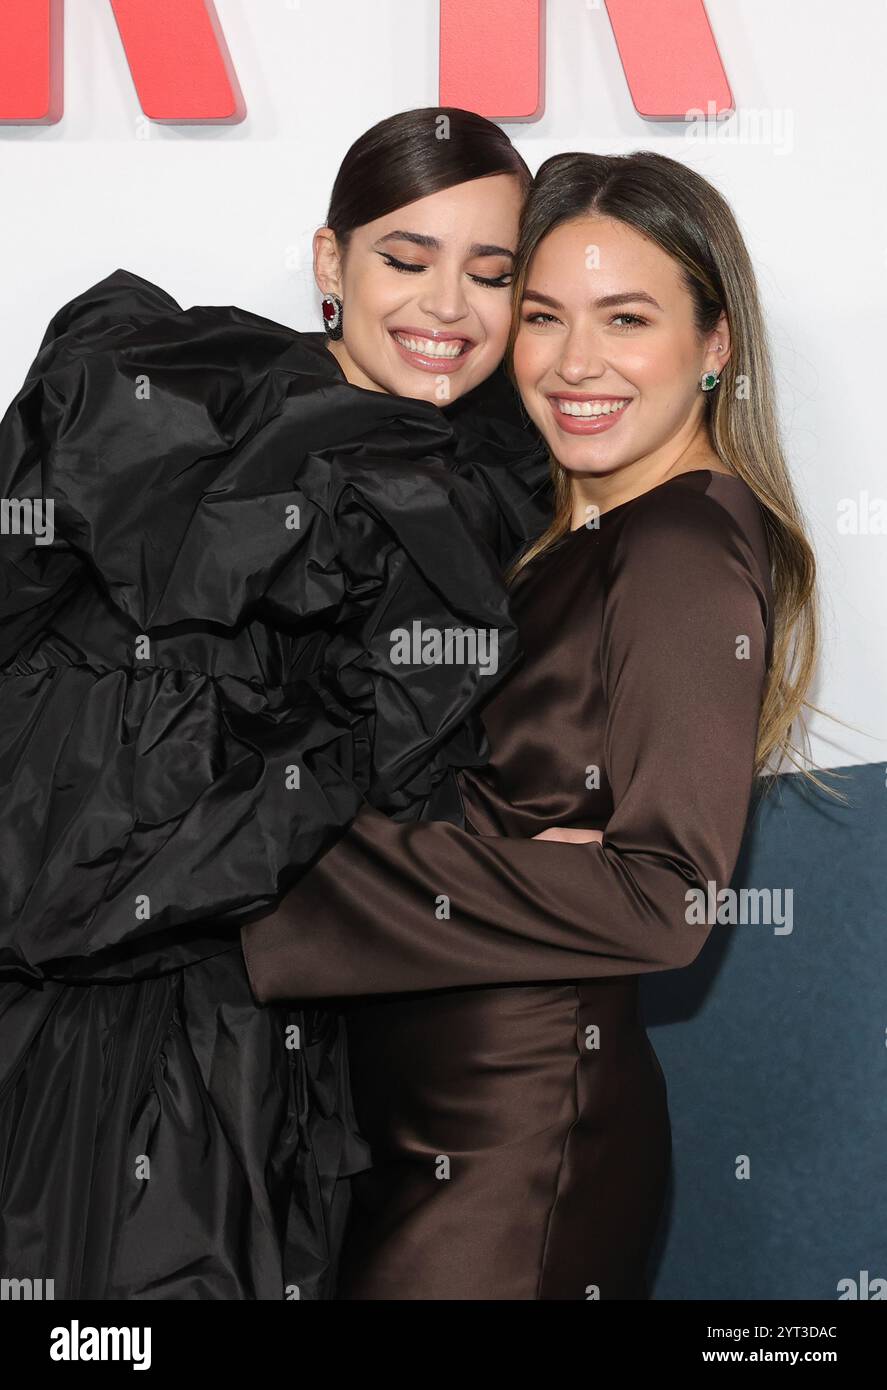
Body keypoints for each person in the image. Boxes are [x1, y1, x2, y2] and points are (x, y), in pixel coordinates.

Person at [242, 150, 830, 1300]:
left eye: (626, 318)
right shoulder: (574, 535)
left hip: (516, 1148)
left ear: (713, 345)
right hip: (432, 1113)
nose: (573, 364)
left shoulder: (677, 545)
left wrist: (266, 881)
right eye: (545, 316)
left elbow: (665, 899)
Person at [0, 108, 551, 1299]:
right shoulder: (182, 421)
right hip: (106, 1049)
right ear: (329, 266)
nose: (446, 305)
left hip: (262, 1051)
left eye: (490, 272)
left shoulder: (479, 495)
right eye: (406, 258)